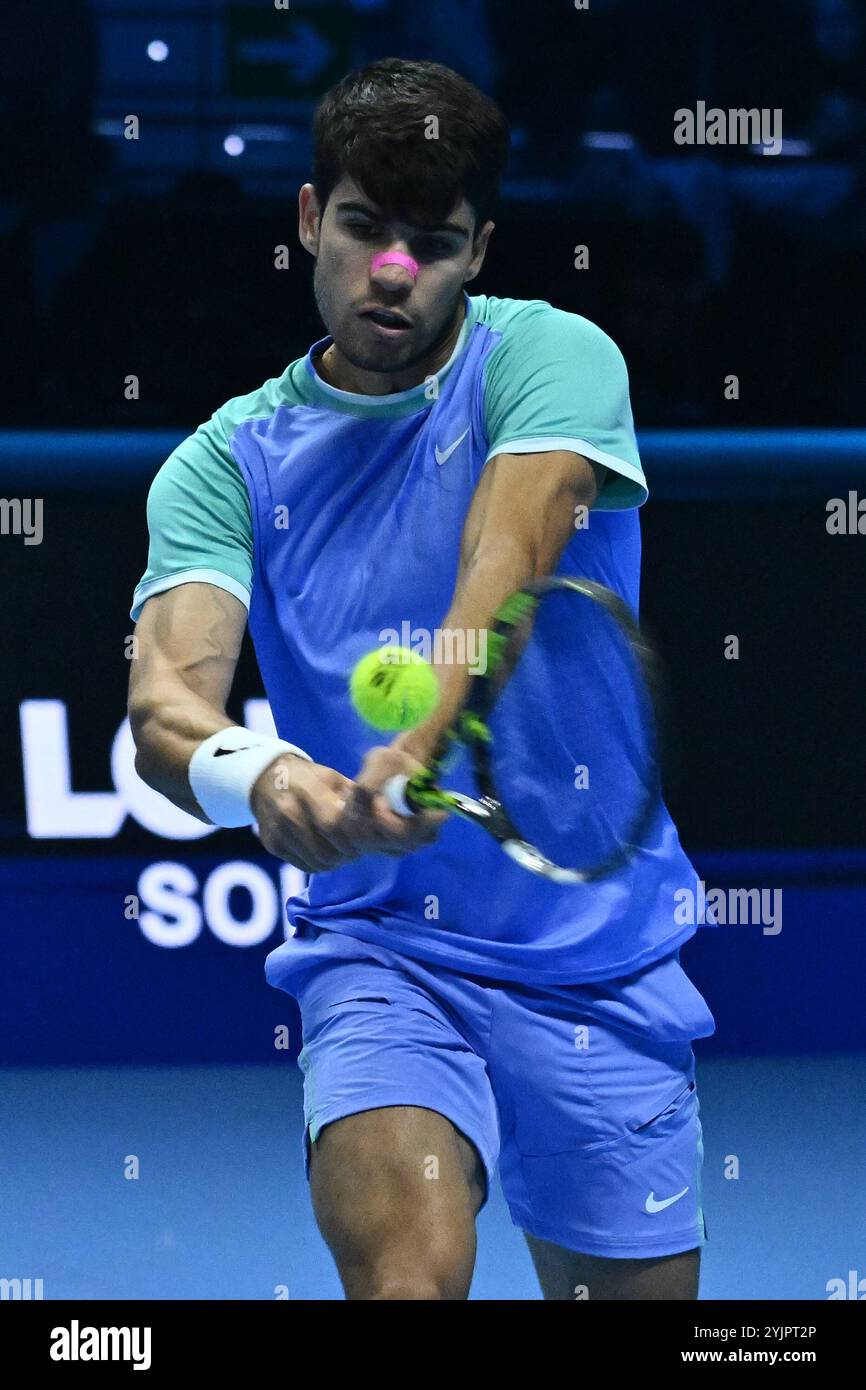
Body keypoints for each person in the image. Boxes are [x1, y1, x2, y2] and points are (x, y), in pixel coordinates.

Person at [128, 58, 715, 1301]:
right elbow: (165, 707)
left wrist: (422, 738)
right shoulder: (222, 463)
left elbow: (507, 549)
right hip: (382, 950)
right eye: (361, 228)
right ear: (307, 220)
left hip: (596, 965)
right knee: (409, 1280)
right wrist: (259, 770)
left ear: (480, 249)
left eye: (433, 243)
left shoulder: (551, 358)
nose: (393, 271)